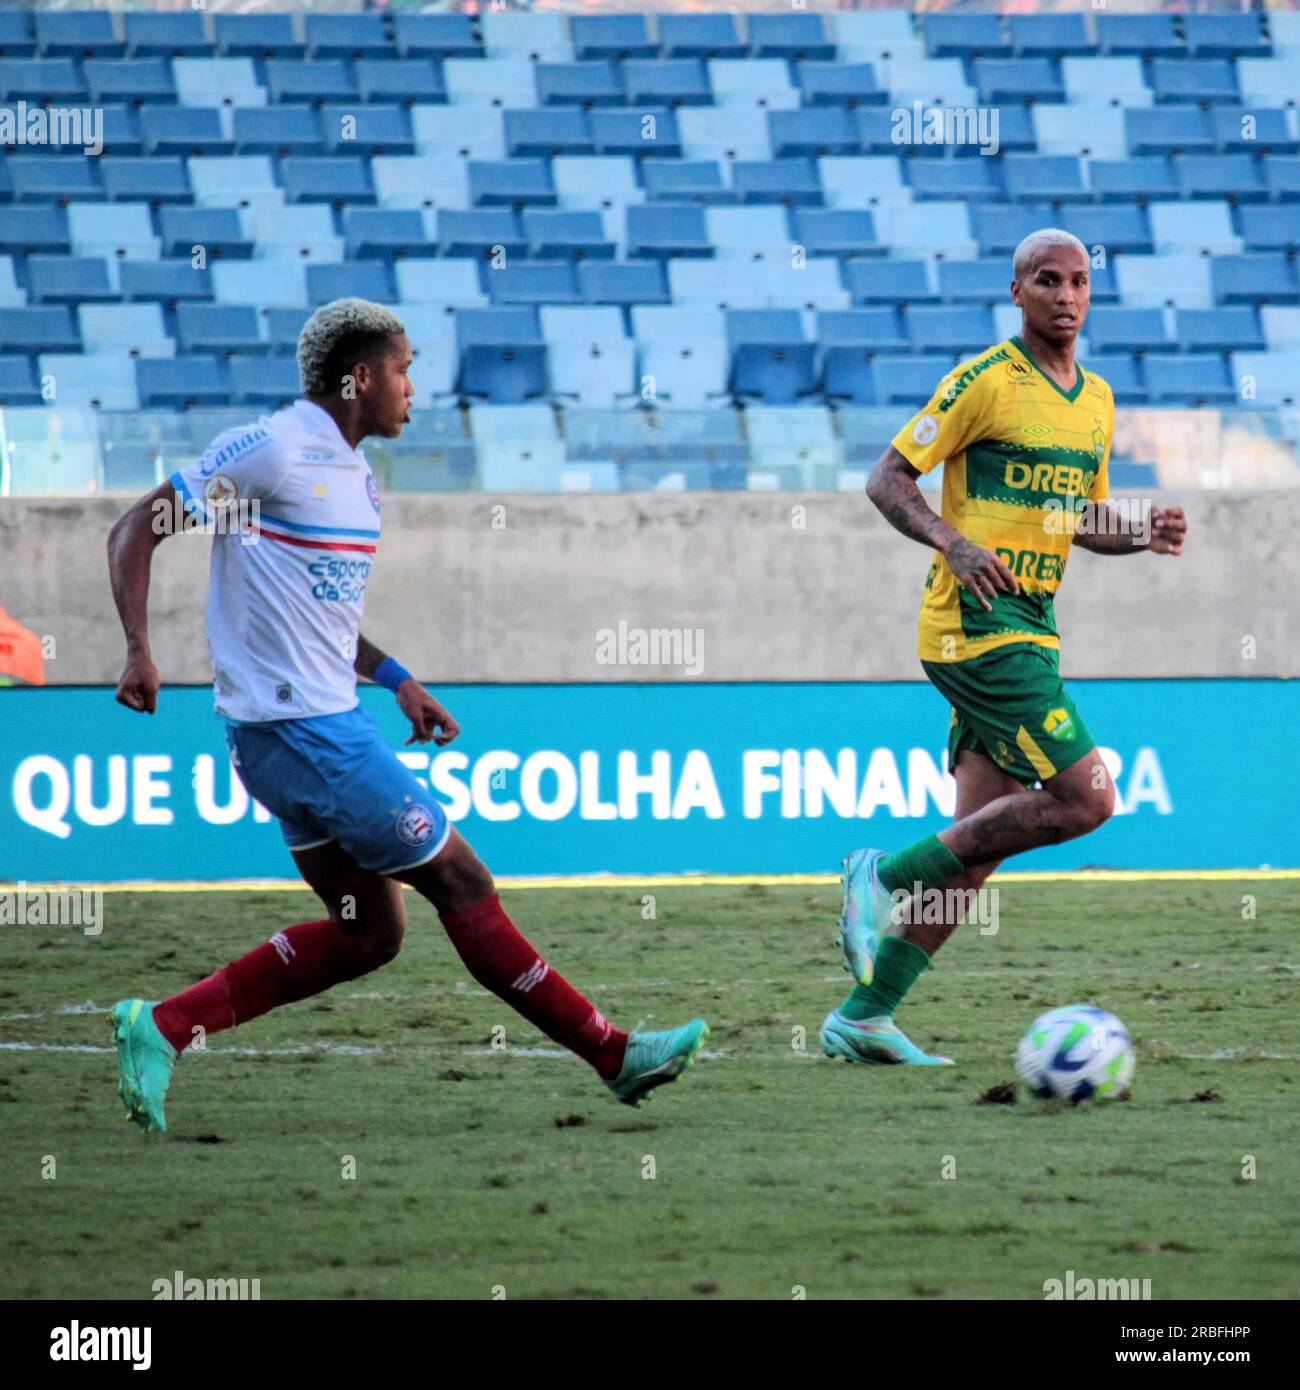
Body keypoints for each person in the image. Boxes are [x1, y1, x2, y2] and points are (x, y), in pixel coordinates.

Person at [106, 298, 707, 1132]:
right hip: (306, 731)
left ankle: (162, 1027)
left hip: (300, 733)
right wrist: (138, 647)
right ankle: (614, 1054)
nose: (413, 387)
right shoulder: (274, 451)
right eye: (403, 368)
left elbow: (319, 614)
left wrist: (395, 678)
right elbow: (137, 525)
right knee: (462, 881)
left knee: (366, 934)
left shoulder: (351, 478)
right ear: (359, 377)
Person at [822, 229, 1188, 1066]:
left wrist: (1141, 533)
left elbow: (1081, 520)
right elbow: (886, 479)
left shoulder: (1095, 398)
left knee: (981, 843)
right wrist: (951, 542)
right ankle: (879, 876)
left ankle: (864, 1017)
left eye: (1080, 282)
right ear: (1016, 291)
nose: (1066, 295)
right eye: (1048, 280)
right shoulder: (984, 380)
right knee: (1090, 799)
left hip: (1033, 629)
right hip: (973, 627)